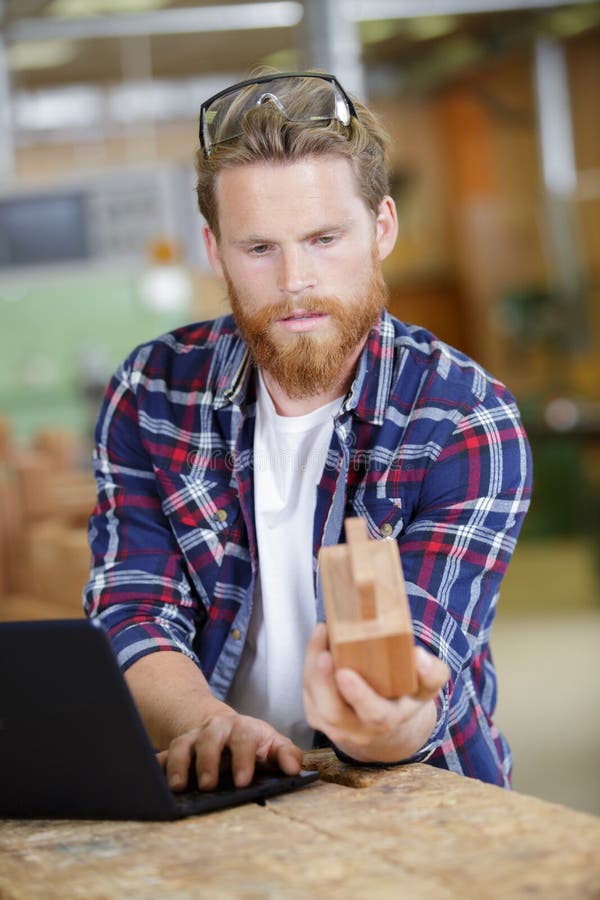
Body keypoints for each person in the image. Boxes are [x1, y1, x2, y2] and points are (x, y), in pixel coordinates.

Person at [84, 71, 532, 792]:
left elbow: (425, 656)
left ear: (381, 227)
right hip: (215, 785)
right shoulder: (152, 393)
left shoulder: (465, 419)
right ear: (213, 248)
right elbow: (133, 606)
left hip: (419, 790)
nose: (295, 278)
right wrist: (204, 721)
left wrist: (383, 723)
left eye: (324, 238)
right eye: (259, 248)